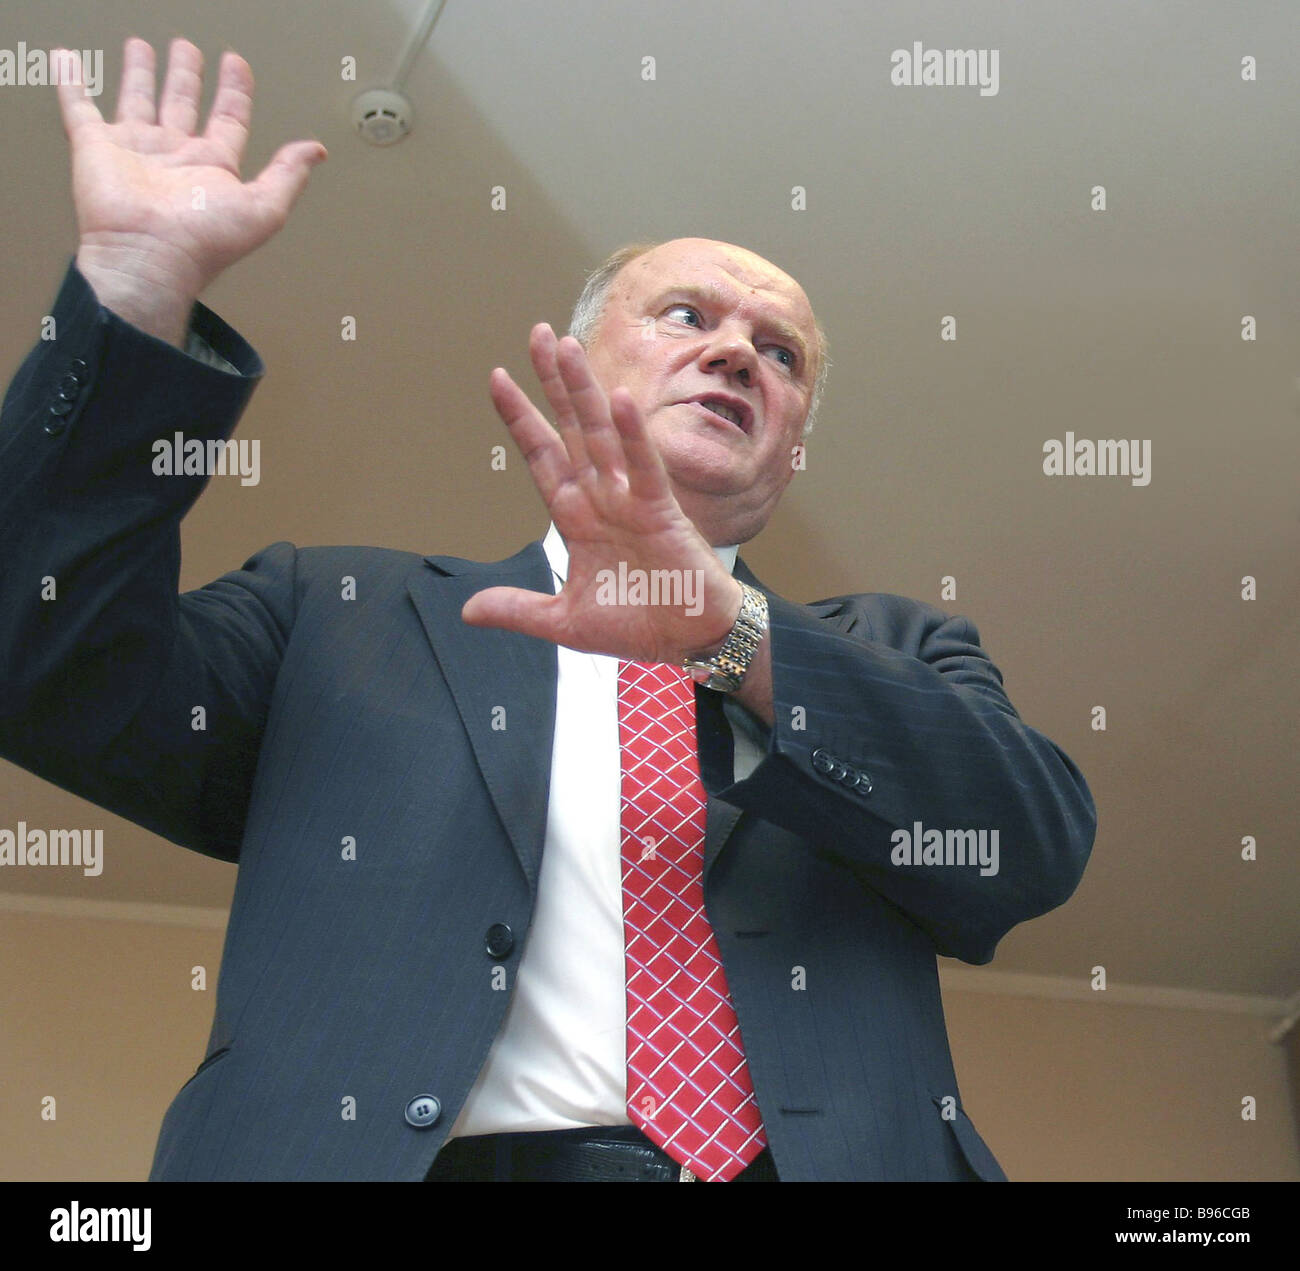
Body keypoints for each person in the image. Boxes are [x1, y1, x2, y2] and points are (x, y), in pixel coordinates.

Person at [0, 37, 1096, 1182]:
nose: (736, 351)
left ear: (793, 448)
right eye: (686, 314)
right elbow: (38, 660)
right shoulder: (331, 613)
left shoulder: (897, 648)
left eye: (779, 353)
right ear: (575, 357)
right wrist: (131, 291)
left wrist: (722, 630)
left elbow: (1026, 848)